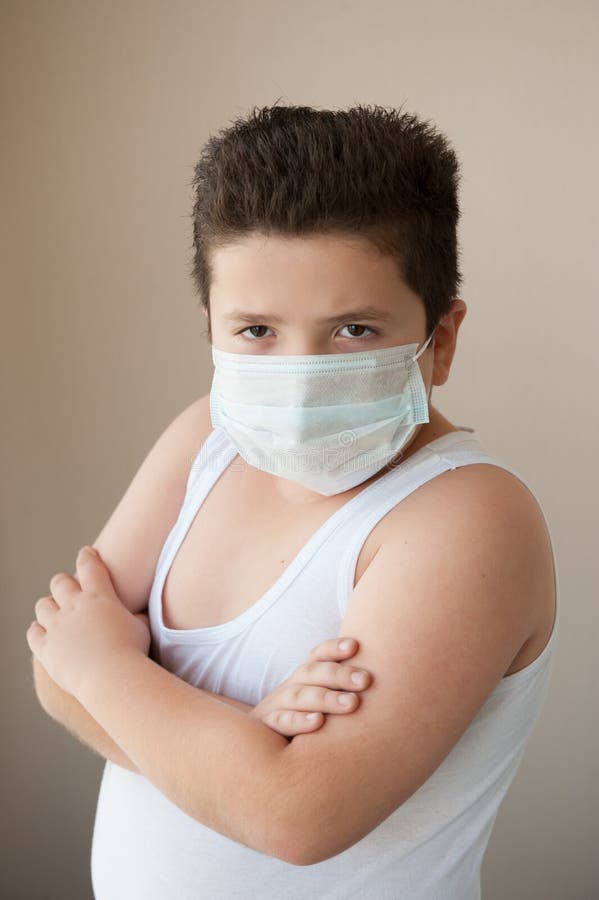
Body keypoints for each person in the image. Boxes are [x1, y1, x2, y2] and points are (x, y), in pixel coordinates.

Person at [29, 103, 559, 899]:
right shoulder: (203, 439)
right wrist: (243, 747)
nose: (300, 372)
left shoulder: (466, 517)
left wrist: (106, 663)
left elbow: (294, 819)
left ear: (439, 340)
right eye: (255, 331)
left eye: (352, 329)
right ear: (210, 324)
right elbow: (50, 676)